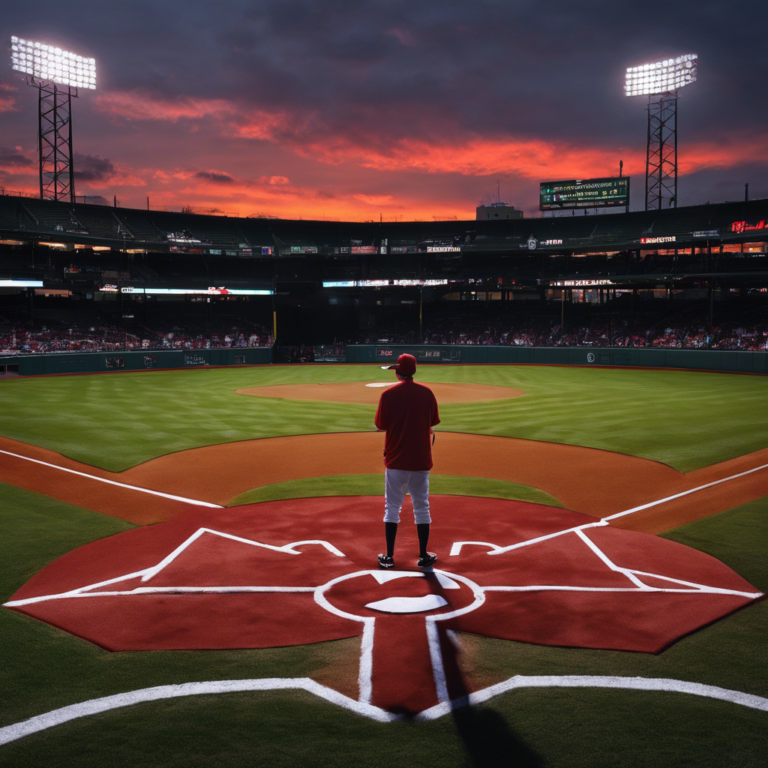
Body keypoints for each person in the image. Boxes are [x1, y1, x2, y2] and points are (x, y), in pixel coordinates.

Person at [374, 353, 440, 569]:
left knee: (392, 507)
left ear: (398, 372)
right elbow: (432, 423)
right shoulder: (427, 393)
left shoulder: (387, 394)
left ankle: (389, 556)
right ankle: (424, 555)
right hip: (421, 460)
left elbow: (380, 425)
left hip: (396, 459)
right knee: (422, 506)